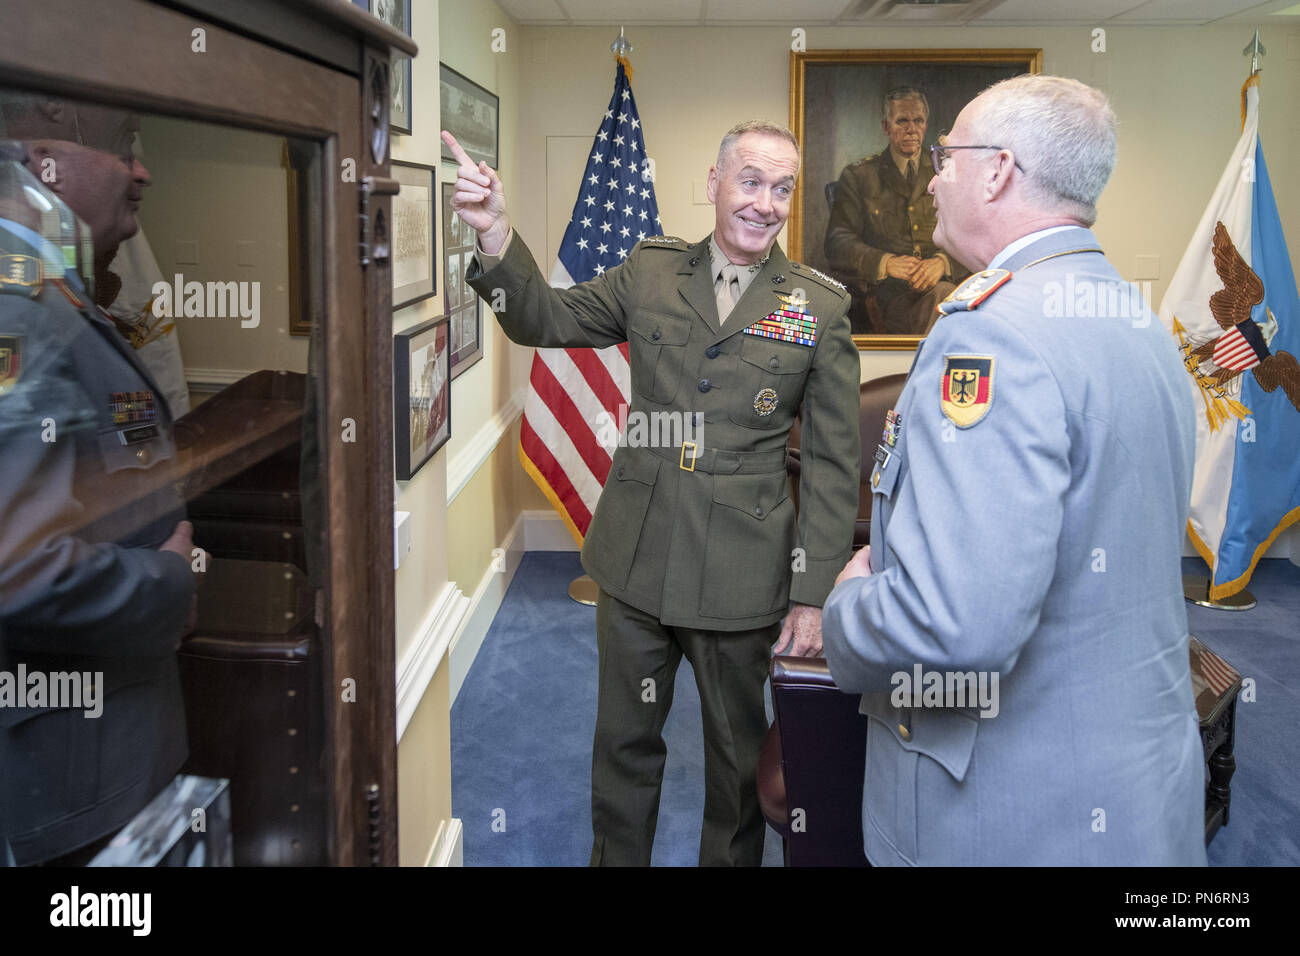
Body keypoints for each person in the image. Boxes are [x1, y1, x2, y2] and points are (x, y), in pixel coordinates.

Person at [444, 120, 861, 866]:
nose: (766, 203)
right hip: (635, 556)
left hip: (741, 573)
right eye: (750, 181)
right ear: (712, 183)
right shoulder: (651, 270)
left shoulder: (818, 307)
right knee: (623, 748)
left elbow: (833, 463)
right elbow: (541, 318)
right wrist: (496, 237)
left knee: (735, 767)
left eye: (783, 188)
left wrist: (813, 593)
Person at [821, 74, 1208, 866]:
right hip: (1138, 785)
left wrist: (847, 607)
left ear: (995, 171)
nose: (932, 177)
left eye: (945, 156)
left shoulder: (990, 336)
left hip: (1014, 808)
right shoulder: (1132, 313)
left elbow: (953, 624)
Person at [0, 95, 196, 866]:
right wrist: (171, 580)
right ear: (35, 155)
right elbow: (19, 569)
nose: (143, 169)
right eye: (124, 145)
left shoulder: (53, 290)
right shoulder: (15, 310)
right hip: (69, 773)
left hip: (107, 747)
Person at [824, 87, 965, 335]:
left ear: (925, 124)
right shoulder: (860, 176)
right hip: (887, 298)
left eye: (918, 121)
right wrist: (884, 262)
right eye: (902, 121)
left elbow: (971, 233)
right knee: (948, 303)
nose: (911, 129)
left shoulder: (946, 171)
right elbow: (837, 242)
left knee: (949, 297)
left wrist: (943, 263)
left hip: (943, 287)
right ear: (886, 127)